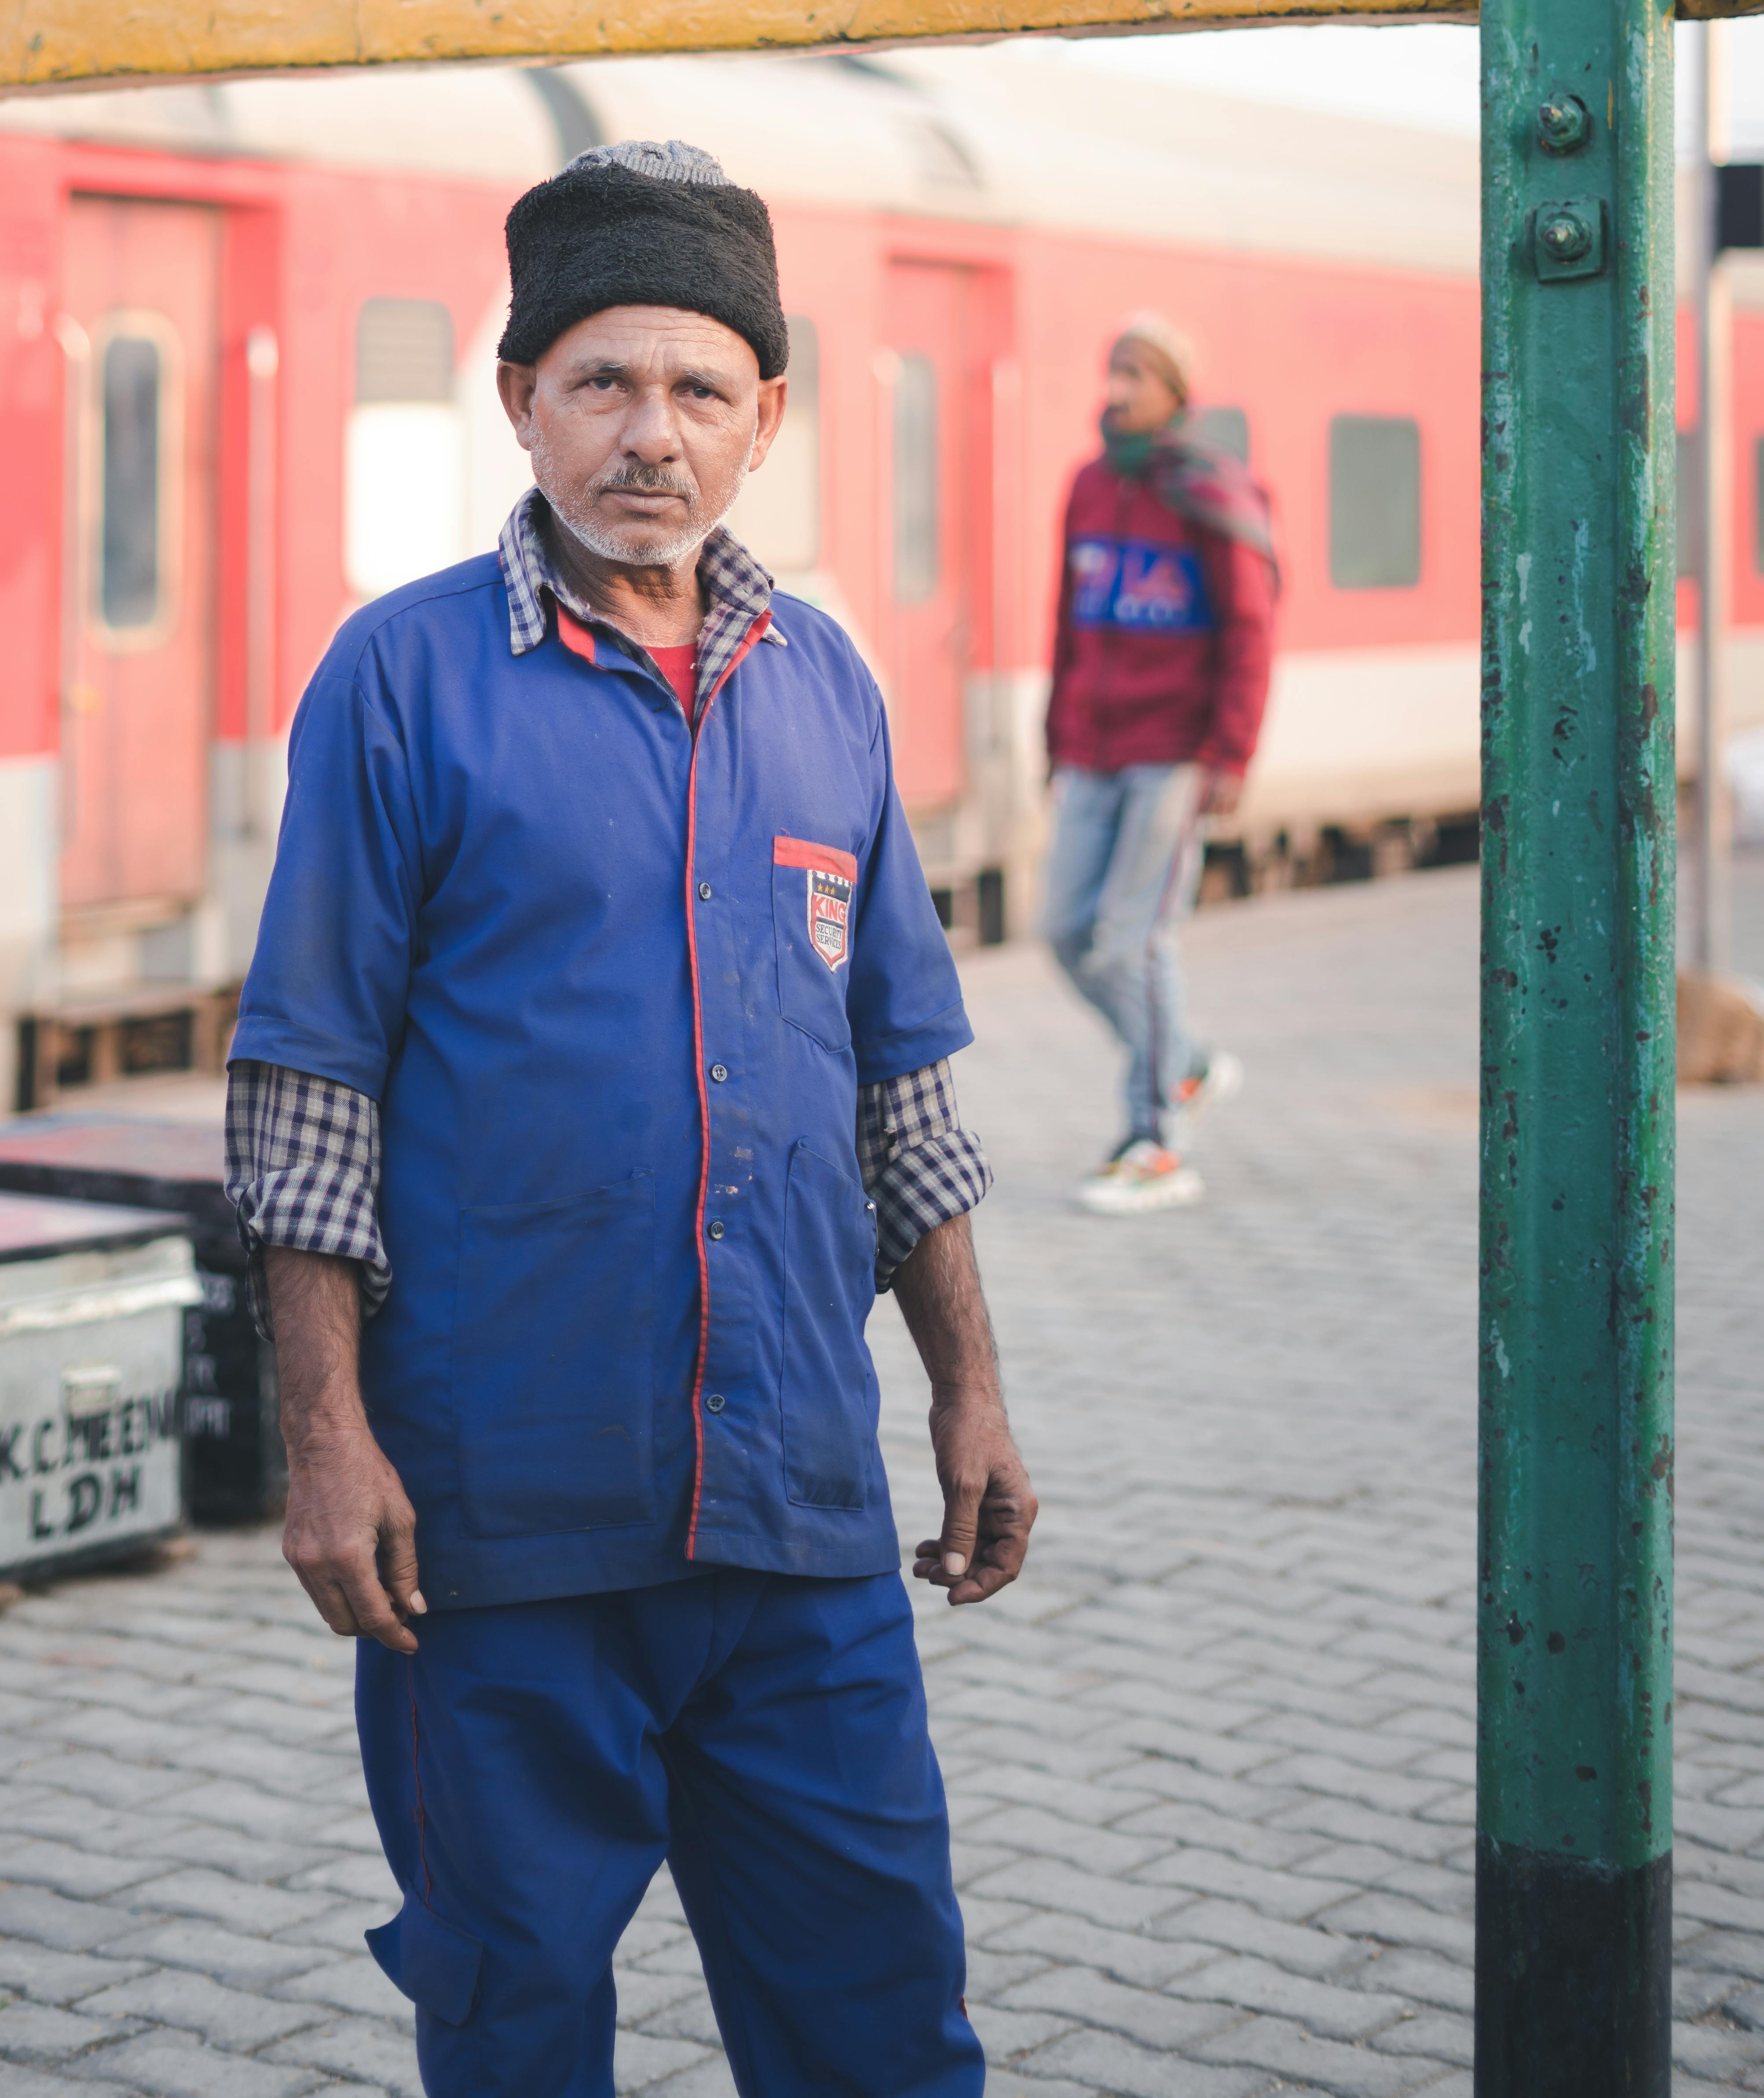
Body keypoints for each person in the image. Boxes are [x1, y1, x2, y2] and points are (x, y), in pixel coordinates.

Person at [225, 138, 1034, 2098]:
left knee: (883, 2028)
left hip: (799, 1525)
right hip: (500, 1530)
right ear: (519, 404)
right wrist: (322, 1436)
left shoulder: (824, 683)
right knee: (514, 2032)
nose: (645, 433)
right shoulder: (401, 677)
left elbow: (896, 1078)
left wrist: (970, 1391)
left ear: (767, 416)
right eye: (598, 380)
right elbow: (307, 1086)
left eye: (694, 387)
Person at [1042, 313, 1279, 1217]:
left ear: (1176, 393)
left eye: (1135, 375)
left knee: (1133, 940)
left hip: (1175, 751)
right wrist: (1052, 734)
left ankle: (1154, 1140)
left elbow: (1250, 629)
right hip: (1092, 747)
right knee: (1063, 930)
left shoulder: (1212, 491)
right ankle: (1180, 1062)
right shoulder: (1088, 486)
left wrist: (1231, 750)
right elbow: (1065, 616)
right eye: (1111, 372)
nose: (1116, 390)